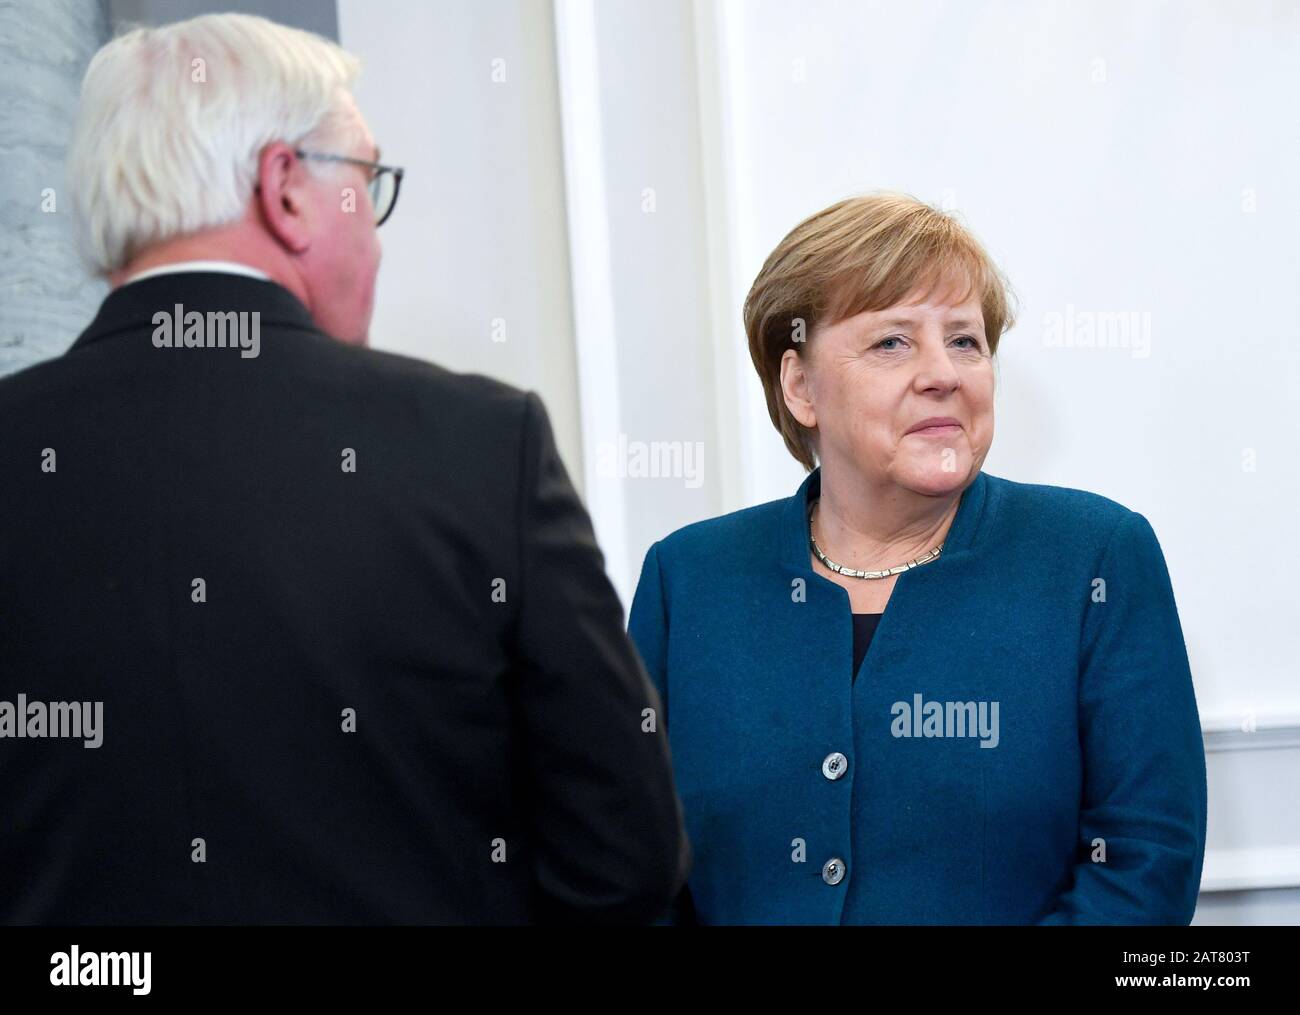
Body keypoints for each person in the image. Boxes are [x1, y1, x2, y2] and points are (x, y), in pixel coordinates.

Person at [0, 12, 688, 925]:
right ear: (284, 189)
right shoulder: (480, 444)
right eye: (368, 183)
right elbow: (626, 856)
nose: (378, 233)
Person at [628, 192, 1206, 924]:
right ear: (800, 385)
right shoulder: (688, 580)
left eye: (965, 341)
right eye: (892, 342)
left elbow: (1144, 865)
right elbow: (631, 866)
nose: (945, 373)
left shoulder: (1095, 556)